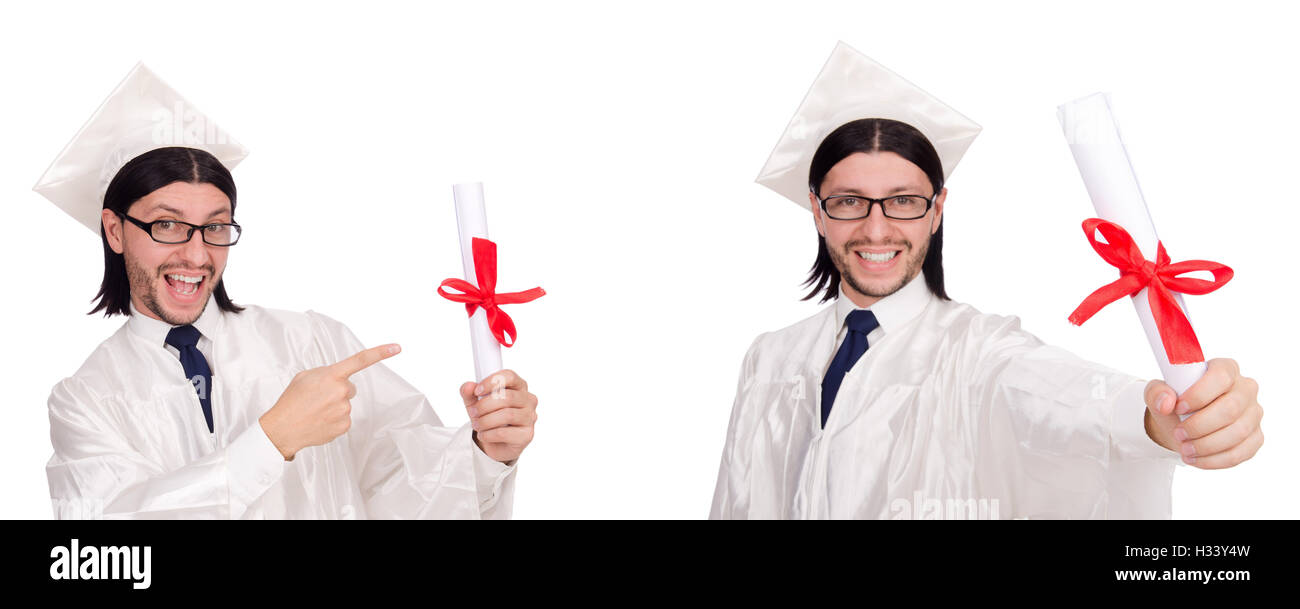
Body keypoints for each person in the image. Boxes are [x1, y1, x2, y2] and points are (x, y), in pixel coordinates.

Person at [709, 43, 1263, 519]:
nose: (876, 229)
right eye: (850, 201)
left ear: (937, 209)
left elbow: (1058, 400)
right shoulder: (769, 359)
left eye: (903, 201)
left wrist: (1159, 420)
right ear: (817, 209)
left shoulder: (977, 352)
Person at [35, 64, 537, 519]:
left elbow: (402, 488)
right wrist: (272, 440)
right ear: (115, 230)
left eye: (215, 226)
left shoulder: (313, 343)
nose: (196, 254)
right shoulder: (86, 400)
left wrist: (485, 452)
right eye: (168, 224)